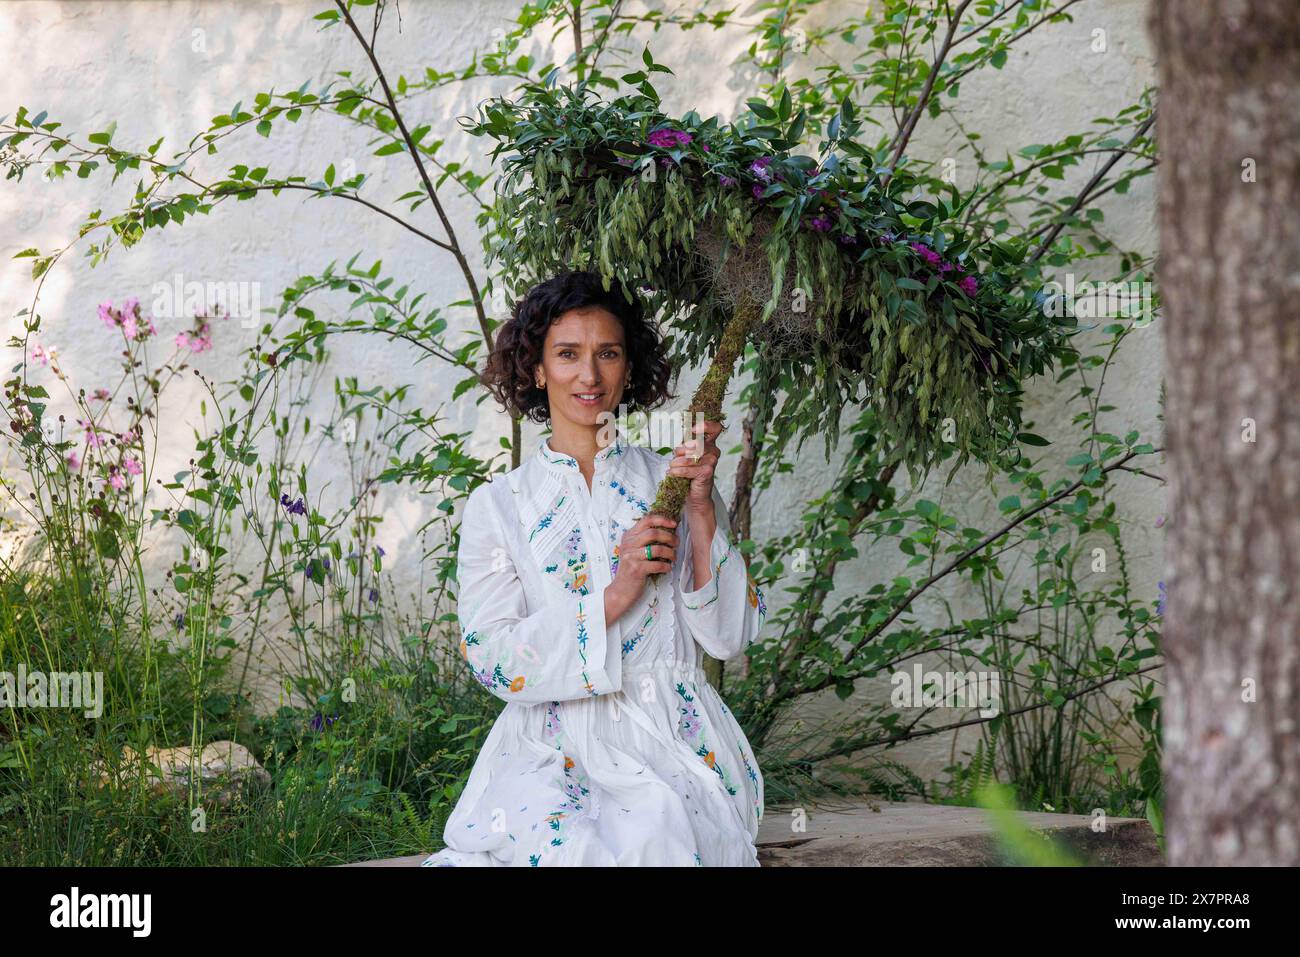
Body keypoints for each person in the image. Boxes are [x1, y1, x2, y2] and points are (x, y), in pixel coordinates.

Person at [422, 270, 766, 867]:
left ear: (628, 369)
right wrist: (617, 591)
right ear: (535, 368)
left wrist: (703, 508)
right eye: (567, 354)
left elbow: (729, 637)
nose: (589, 375)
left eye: (608, 353)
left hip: (673, 742)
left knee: (652, 833)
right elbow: (494, 656)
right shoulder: (499, 506)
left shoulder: (675, 481)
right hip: (546, 750)